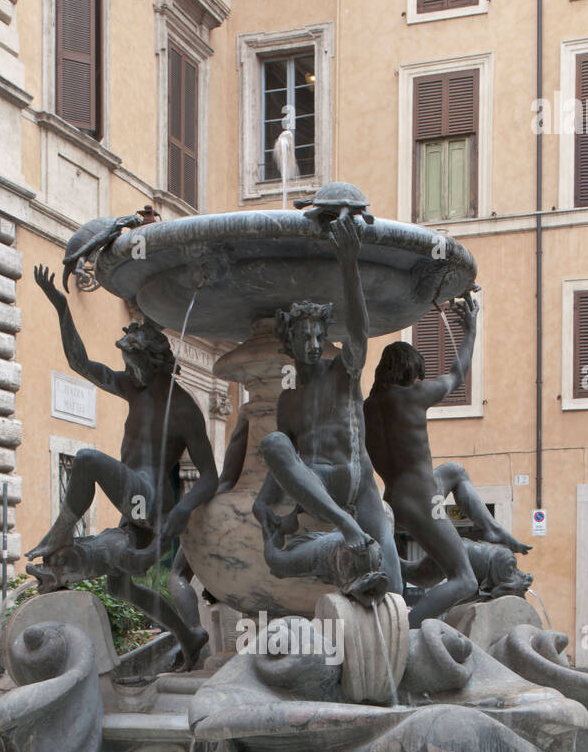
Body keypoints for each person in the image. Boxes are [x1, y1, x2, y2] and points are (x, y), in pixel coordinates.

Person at [28, 264, 218, 666]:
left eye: (131, 359)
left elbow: (211, 476)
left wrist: (183, 511)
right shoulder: (136, 387)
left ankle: (59, 532)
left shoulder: (183, 408)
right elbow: (82, 365)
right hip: (133, 512)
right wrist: (63, 309)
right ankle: (189, 636)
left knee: (88, 460)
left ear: (150, 359)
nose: (126, 369)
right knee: (122, 587)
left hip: (153, 502)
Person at [251, 213, 402, 604]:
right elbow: (285, 463)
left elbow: (358, 331)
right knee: (274, 443)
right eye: (305, 336)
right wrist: (262, 503)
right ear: (288, 341)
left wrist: (349, 263)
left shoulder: (343, 373)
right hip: (321, 483)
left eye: (320, 334)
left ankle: (404, 637)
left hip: (359, 480)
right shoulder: (289, 399)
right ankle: (345, 527)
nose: (315, 343)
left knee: (394, 583)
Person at [363, 298, 530, 626]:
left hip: (394, 497)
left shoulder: (367, 407)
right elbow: (456, 374)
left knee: (455, 471)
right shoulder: (414, 394)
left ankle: (492, 528)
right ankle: (404, 631)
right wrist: (470, 330)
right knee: (465, 579)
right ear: (412, 371)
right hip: (425, 498)